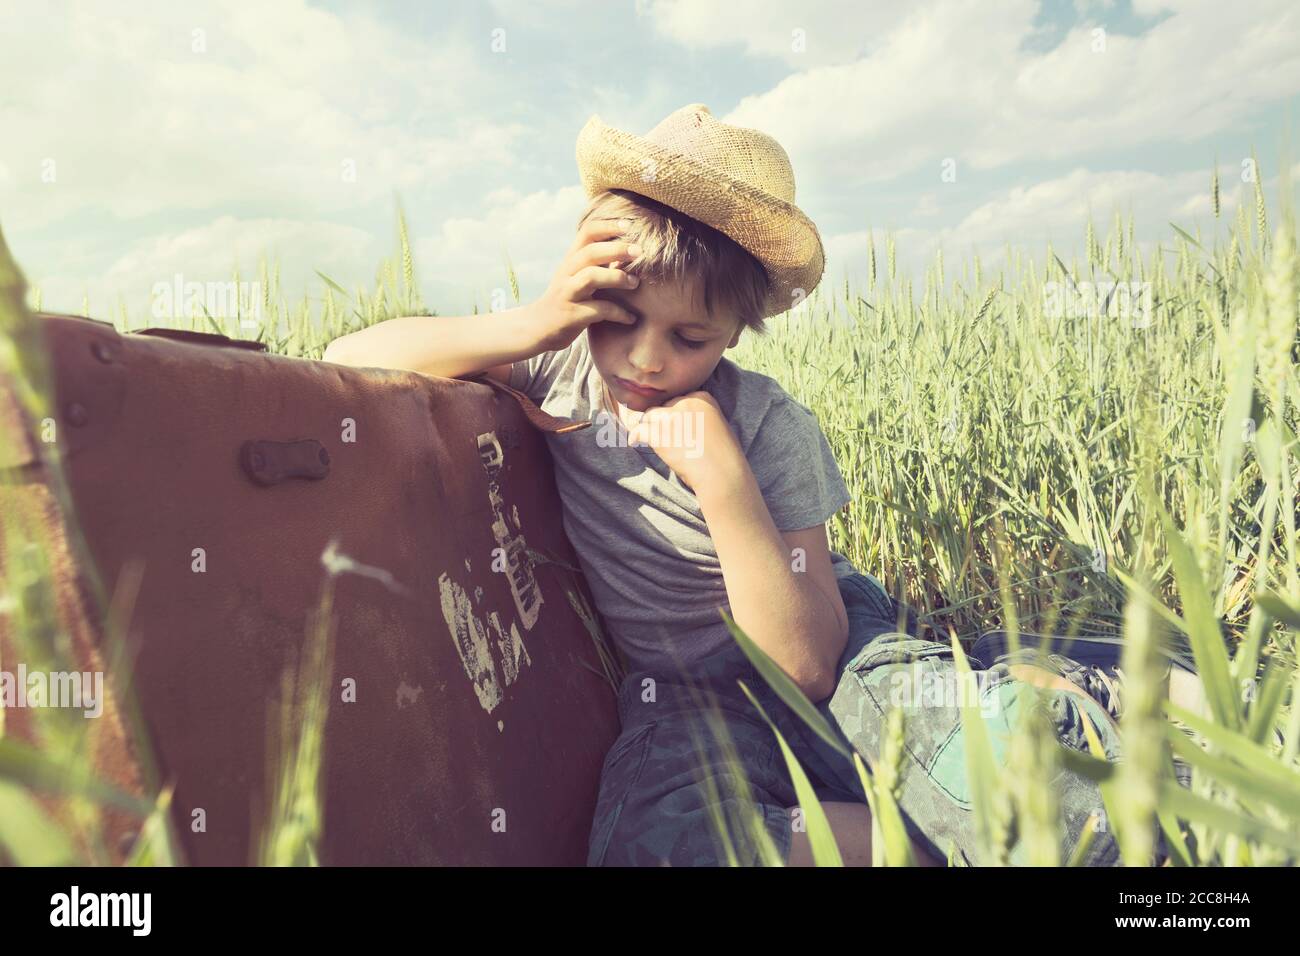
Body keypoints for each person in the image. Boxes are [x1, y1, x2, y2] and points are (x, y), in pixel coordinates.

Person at [323, 103, 1196, 867]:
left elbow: (806, 662)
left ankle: (1064, 729)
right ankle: (934, 831)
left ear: (736, 333)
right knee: (649, 844)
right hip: (682, 694)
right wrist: (539, 319)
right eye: (616, 320)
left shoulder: (770, 430)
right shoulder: (556, 371)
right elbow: (345, 361)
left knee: (1001, 771)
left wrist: (722, 478)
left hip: (839, 645)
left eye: (690, 337)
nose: (647, 359)